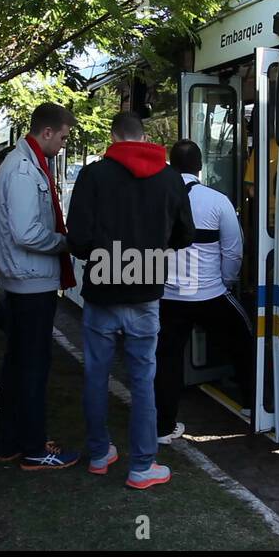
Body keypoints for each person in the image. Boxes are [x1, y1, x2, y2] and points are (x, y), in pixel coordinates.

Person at [66, 113, 195, 489]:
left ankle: (98, 452)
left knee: (95, 374)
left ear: (113, 136)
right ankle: (142, 465)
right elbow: (185, 235)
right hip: (146, 286)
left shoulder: (93, 175)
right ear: (144, 135)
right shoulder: (171, 178)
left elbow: (78, 238)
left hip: (102, 287)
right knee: (142, 379)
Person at [0, 102, 81, 470]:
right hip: (30, 281)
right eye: (62, 137)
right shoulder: (24, 170)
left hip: (25, 278)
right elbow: (28, 232)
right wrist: (64, 242)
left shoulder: (24, 163)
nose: (63, 144)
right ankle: (33, 448)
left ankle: (12, 440)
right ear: (47, 132)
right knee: (31, 368)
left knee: (19, 366)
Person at [155, 140, 251, 443]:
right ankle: (252, 405)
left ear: (171, 165)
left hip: (167, 298)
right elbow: (234, 251)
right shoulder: (218, 200)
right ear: (200, 167)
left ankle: (163, 427)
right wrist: (226, 281)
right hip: (210, 294)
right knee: (244, 340)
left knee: (166, 361)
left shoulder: (157, 198)